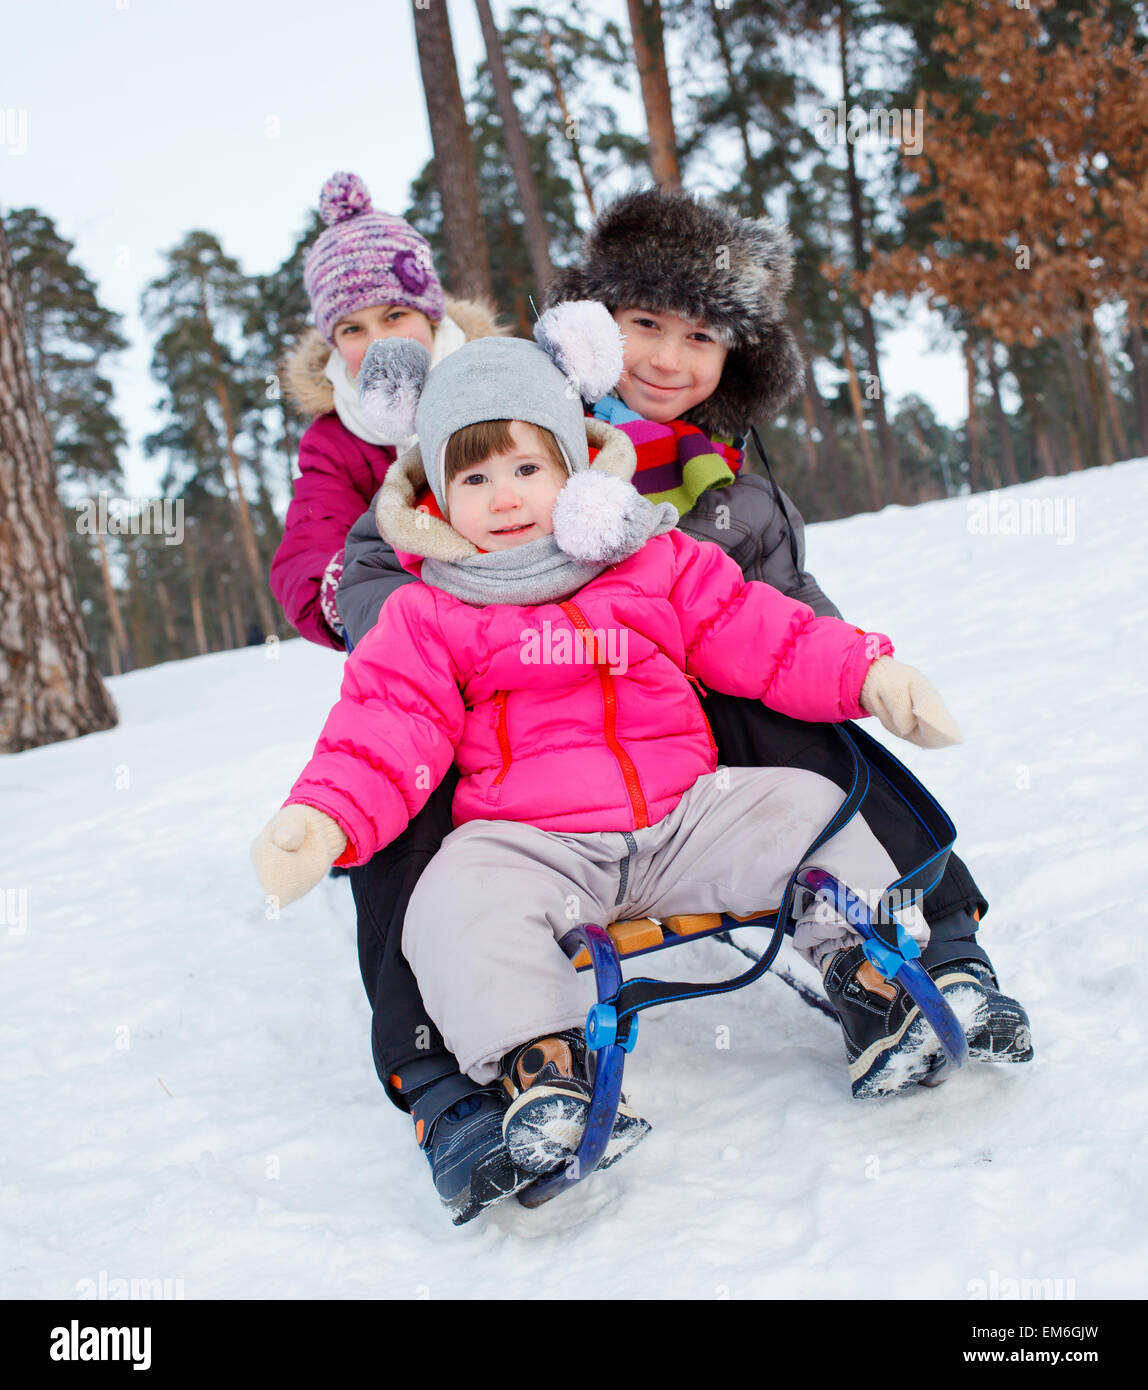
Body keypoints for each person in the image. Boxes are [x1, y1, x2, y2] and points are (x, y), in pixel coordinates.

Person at [331, 190, 1032, 1222]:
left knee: (798, 730)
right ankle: (453, 1078)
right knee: (405, 799)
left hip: (683, 747)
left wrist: (847, 665)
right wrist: (495, 612)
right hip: (508, 733)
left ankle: (918, 945)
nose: (663, 358)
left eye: (698, 335)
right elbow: (367, 591)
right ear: (586, 335)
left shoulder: (732, 491)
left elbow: (781, 620)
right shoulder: (503, 428)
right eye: (640, 324)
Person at [268, 170, 504, 649]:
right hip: (421, 634)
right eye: (353, 329)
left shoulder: (502, 379)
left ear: (429, 314)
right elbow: (309, 550)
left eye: (394, 315)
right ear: (334, 343)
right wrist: (370, 599)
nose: (379, 341)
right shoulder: (335, 440)